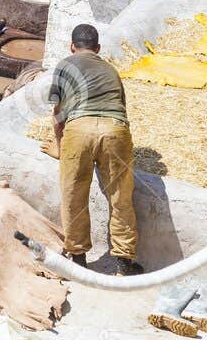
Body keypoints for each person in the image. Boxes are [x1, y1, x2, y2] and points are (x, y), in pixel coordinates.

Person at [48, 23, 142, 275]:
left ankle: (77, 256)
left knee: (73, 194)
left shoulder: (65, 65)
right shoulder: (111, 69)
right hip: (115, 130)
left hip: (78, 130)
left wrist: (61, 148)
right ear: (98, 48)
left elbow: (58, 115)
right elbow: (122, 110)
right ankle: (123, 262)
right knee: (120, 197)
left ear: (72, 46)